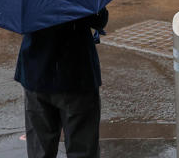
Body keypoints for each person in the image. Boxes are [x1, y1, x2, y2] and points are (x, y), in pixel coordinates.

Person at [15, 9, 109, 158]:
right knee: (82, 149)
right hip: (77, 73)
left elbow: (16, 19)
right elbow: (99, 20)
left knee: (40, 150)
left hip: (36, 71)